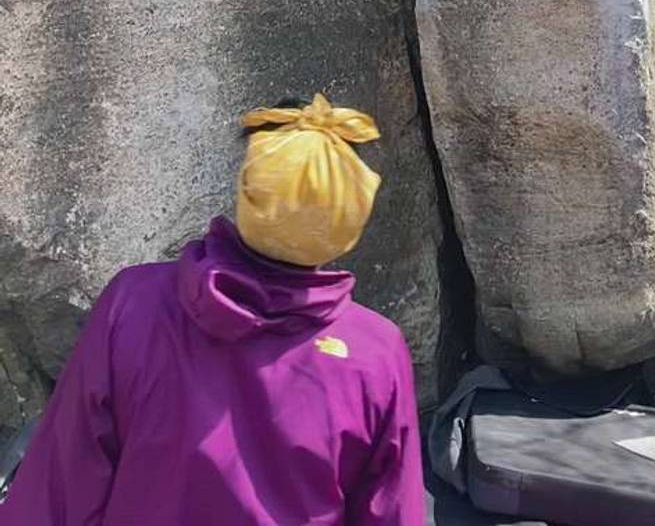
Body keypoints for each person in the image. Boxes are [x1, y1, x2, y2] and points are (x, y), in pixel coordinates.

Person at [4, 93, 424, 526]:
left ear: (249, 189)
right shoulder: (374, 355)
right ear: (350, 218)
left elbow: (60, 482)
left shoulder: (133, 303)